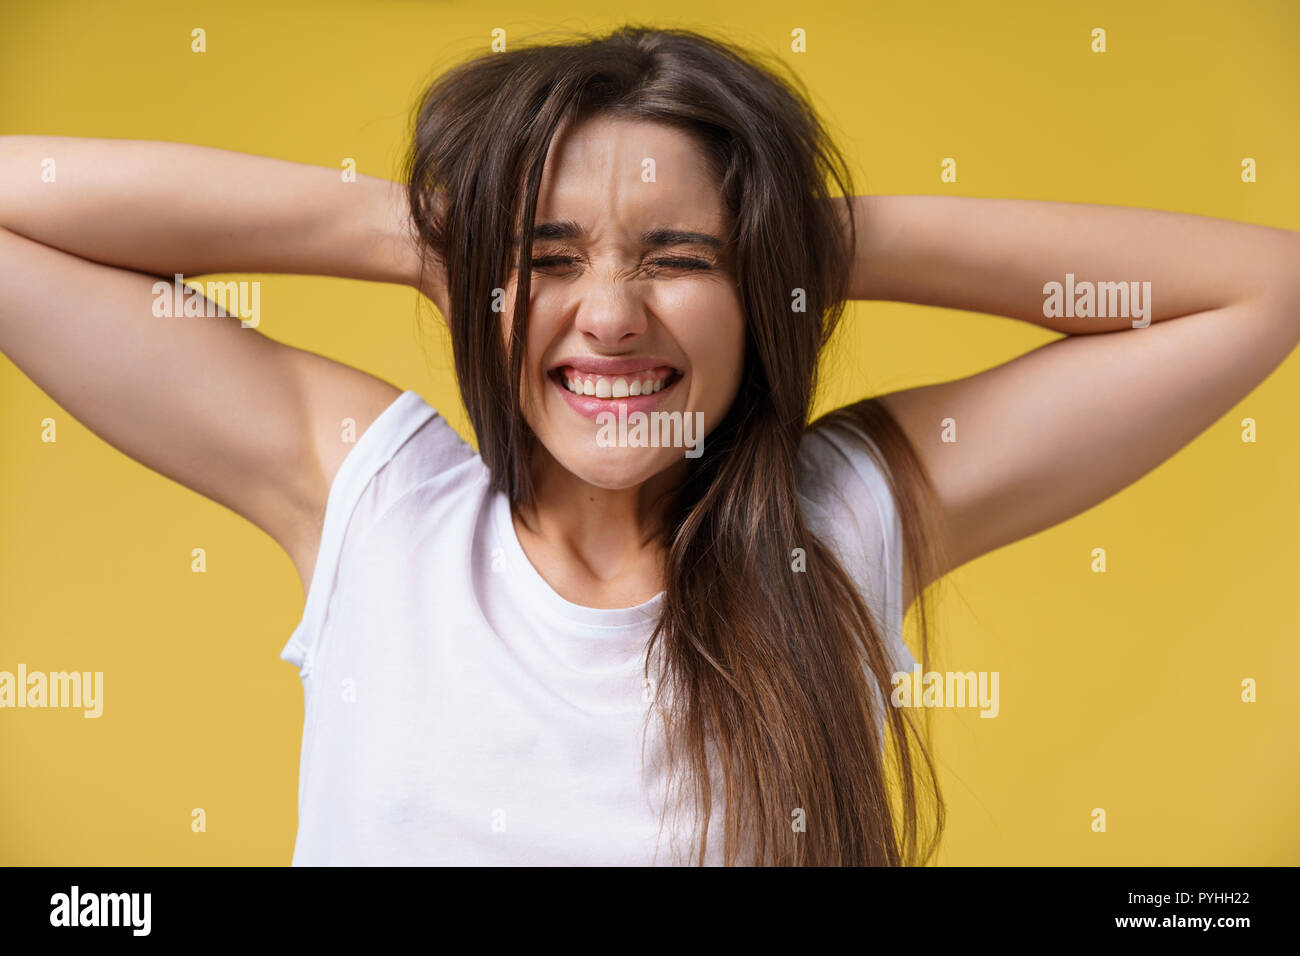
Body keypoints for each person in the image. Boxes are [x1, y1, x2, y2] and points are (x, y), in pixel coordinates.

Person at [1, 25, 1296, 866]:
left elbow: (1262, 288)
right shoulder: (373, 499)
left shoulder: (845, 519)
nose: (611, 316)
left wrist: (807, 236)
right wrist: (422, 230)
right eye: (548, 260)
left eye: (680, 259)